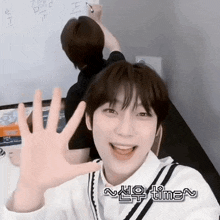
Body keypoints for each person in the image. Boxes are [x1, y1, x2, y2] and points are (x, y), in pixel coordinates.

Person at [1, 61, 219, 219]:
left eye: (142, 114)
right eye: (111, 111)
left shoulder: (185, 189)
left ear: (156, 129)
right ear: (89, 120)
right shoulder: (74, 183)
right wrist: (29, 189)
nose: (125, 130)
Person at [61, 5, 125, 163]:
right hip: (127, 147)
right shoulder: (117, 67)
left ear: (68, 54)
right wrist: (96, 20)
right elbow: (114, 45)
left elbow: (80, 157)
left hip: (103, 163)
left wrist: (28, 158)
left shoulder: (76, 96)